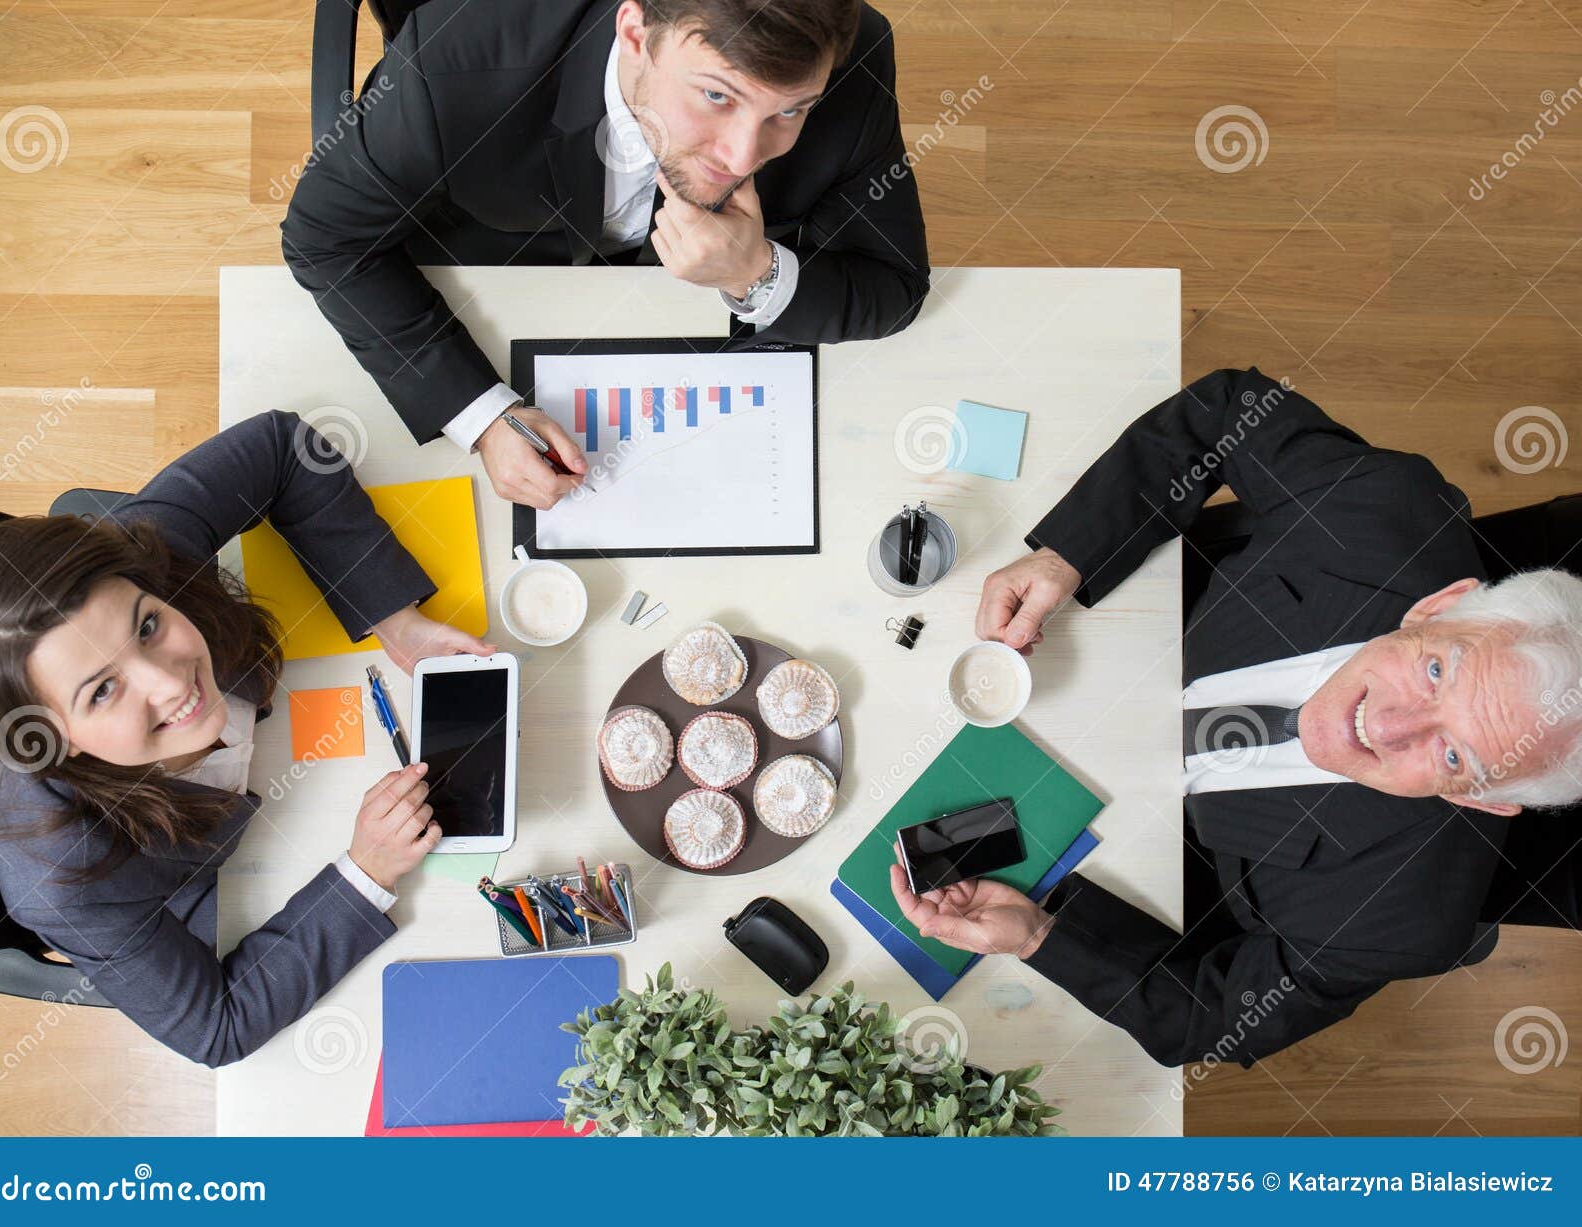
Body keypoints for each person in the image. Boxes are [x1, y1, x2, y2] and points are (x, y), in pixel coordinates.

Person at [889, 367, 1582, 1068]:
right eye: (1436, 671)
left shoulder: (1400, 922)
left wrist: (1038, 935)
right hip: (1134, 631)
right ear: (1436, 608)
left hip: (1156, 843)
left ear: (1483, 799)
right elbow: (1227, 412)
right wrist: (1069, 553)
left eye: (1456, 756)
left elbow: (1207, 1019)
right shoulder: (1385, 508)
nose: (1391, 726)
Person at [0, 412, 497, 1067]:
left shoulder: (151, 558)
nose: (170, 684)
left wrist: (395, 621)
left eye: (145, 627)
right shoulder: (62, 880)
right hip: (195, 867)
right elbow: (217, 1028)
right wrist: (365, 870)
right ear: (53, 740)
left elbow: (287, 447)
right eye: (102, 690)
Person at [282, 0, 929, 510]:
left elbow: (896, 283)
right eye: (716, 96)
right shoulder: (451, 70)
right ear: (634, 33)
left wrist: (753, 272)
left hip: (700, 320)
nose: (740, 157)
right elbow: (324, 237)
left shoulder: (856, 58)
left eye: (790, 112)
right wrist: (479, 416)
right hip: (506, 267)